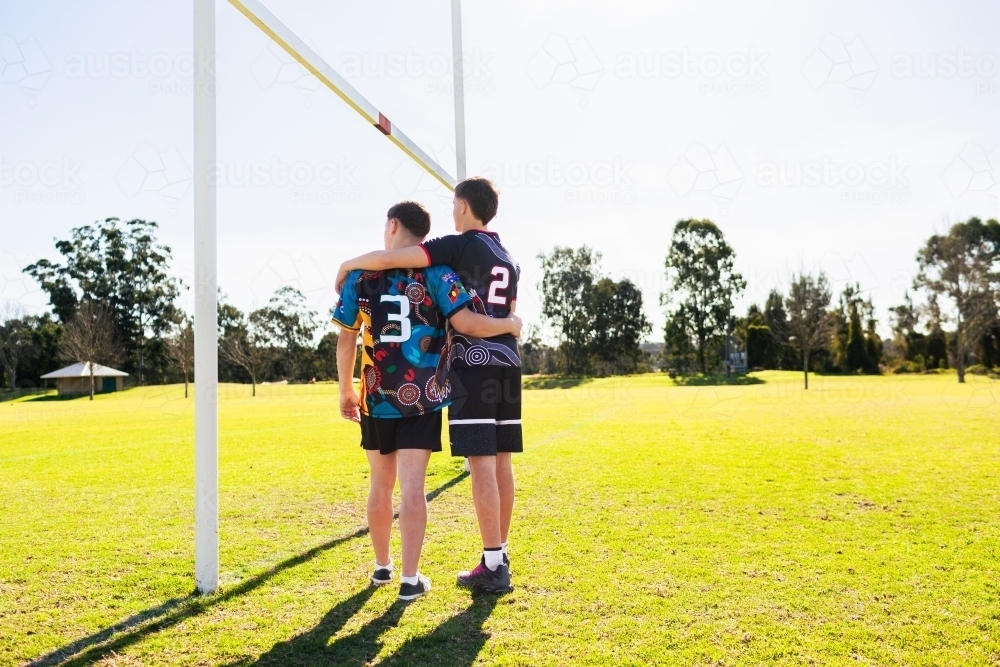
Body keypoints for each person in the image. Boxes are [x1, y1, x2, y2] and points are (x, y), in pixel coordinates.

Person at [336, 178, 519, 593]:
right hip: (427, 395)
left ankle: (382, 567)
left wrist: (345, 388)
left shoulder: (362, 277)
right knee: (416, 488)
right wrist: (511, 324)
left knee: (381, 484)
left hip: (377, 396)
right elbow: (467, 319)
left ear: (393, 225)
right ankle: (411, 579)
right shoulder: (446, 273)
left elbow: (347, 338)